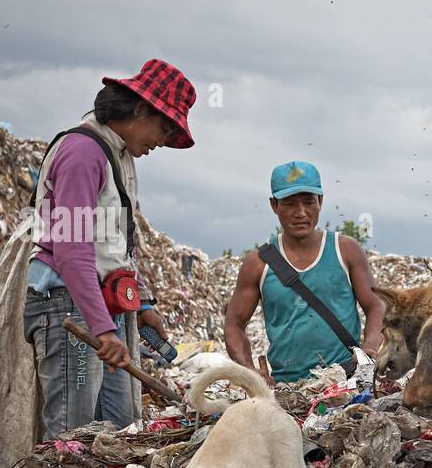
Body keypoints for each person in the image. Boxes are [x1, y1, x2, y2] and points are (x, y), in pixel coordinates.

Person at [22, 59, 195, 437]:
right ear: (138, 109)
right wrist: (102, 330)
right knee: (75, 434)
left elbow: (115, 244)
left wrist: (143, 303)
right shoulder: (83, 154)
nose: (163, 140)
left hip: (101, 306)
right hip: (69, 306)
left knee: (119, 429)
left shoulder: (119, 156)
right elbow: (71, 250)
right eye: (164, 127)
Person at [224, 161, 384, 384]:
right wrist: (249, 371)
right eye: (289, 204)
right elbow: (234, 325)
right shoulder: (258, 263)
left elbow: (376, 305)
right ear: (274, 205)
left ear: (320, 202)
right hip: (289, 389)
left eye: (309, 202)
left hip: (345, 381)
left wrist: (370, 348)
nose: (300, 213)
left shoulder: (345, 250)